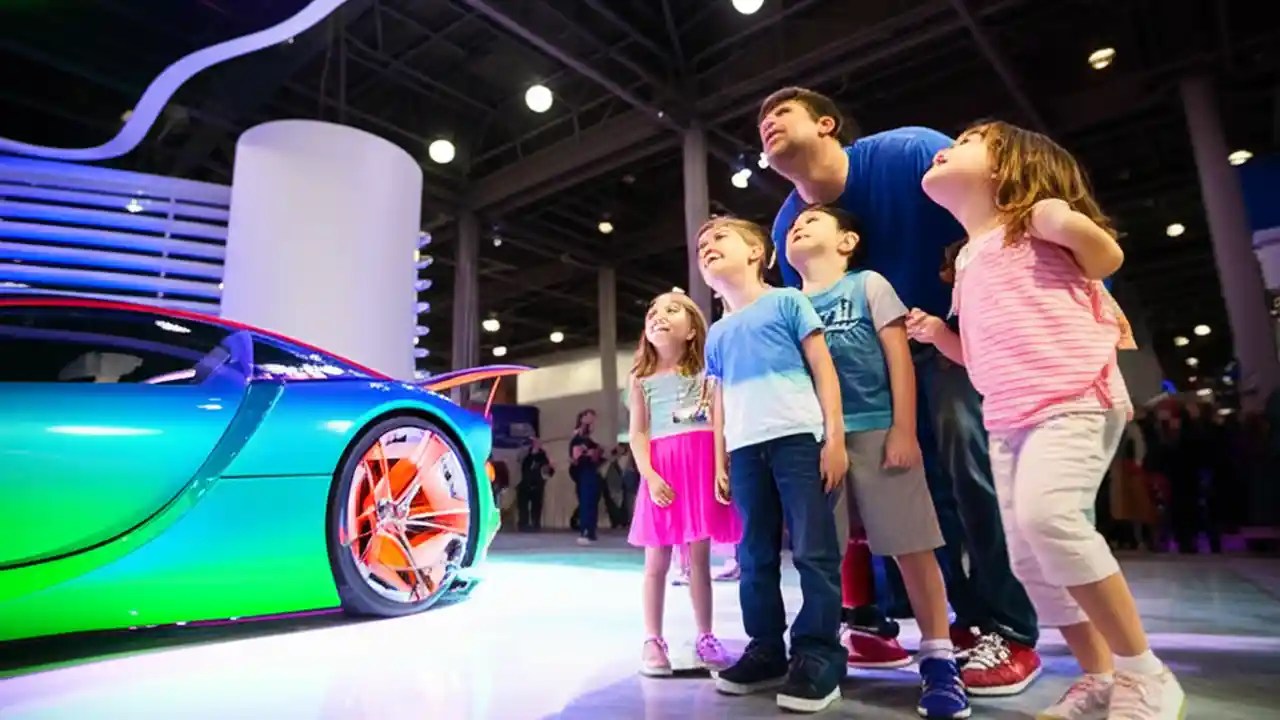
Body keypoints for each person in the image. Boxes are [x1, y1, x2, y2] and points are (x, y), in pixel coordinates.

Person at [762, 86, 1041, 694]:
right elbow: (806, 324)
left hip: (953, 338)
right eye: (760, 119)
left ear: (828, 124)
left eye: (781, 112)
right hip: (871, 372)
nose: (767, 122)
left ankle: (1011, 627)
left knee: (967, 458)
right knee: (910, 497)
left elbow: (996, 209)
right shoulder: (789, 222)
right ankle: (958, 625)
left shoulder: (909, 153)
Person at [907, 120, 1186, 719]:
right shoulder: (971, 259)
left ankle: (1147, 674)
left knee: (1051, 519)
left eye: (966, 142)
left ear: (1009, 168)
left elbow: (1105, 256)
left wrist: (1064, 220)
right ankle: (1100, 676)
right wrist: (940, 335)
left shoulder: (1034, 221)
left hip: (1074, 398)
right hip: (1009, 418)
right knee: (1029, 557)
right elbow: (976, 353)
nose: (945, 149)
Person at [788, 204, 967, 718]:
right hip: (818, 442)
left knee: (912, 545)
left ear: (846, 242)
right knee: (823, 553)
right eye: (796, 224)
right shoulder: (785, 304)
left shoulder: (868, 284)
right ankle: (823, 651)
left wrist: (903, 429)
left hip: (878, 428)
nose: (799, 225)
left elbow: (898, 359)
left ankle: (937, 657)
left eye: (814, 221)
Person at [696, 216, 848, 714]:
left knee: (813, 550)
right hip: (744, 451)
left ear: (757, 252)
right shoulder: (717, 332)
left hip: (799, 440)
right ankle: (765, 647)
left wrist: (835, 438)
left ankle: (819, 654)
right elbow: (717, 399)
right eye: (701, 245)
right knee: (753, 555)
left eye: (719, 238)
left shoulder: (788, 302)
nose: (707, 246)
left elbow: (823, 368)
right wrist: (720, 456)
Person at [627, 290, 741, 676]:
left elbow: (719, 422)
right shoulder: (640, 378)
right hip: (662, 471)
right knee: (655, 562)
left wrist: (721, 466)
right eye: (652, 311)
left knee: (699, 561)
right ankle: (652, 638)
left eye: (672, 310)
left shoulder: (709, 375)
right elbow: (638, 433)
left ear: (692, 330)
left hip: (701, 468)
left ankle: (705, 634)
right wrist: (649, 474)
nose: (659, 315)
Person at [569, 409, 603, 544]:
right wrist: (586, 452)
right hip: (583, 471)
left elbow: (598, 453)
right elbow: (575, 456)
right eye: (589, 417)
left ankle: (591, 530)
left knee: (593, 501)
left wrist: (594, 452)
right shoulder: (578, 438)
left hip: (591, 470)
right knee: (586, 501)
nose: (592, 420)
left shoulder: (589, 439)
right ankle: (585, 530)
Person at [517, 437, 553, 532]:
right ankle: (523, 524)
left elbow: (549, 471)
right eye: (535, 443)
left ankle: (535, 524)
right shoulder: (526, 454)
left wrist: (549, 469)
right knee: (523, 505)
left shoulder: (543, 456)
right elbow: (522, 465)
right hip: (525, 483)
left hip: (538, 484)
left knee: (536, 505)